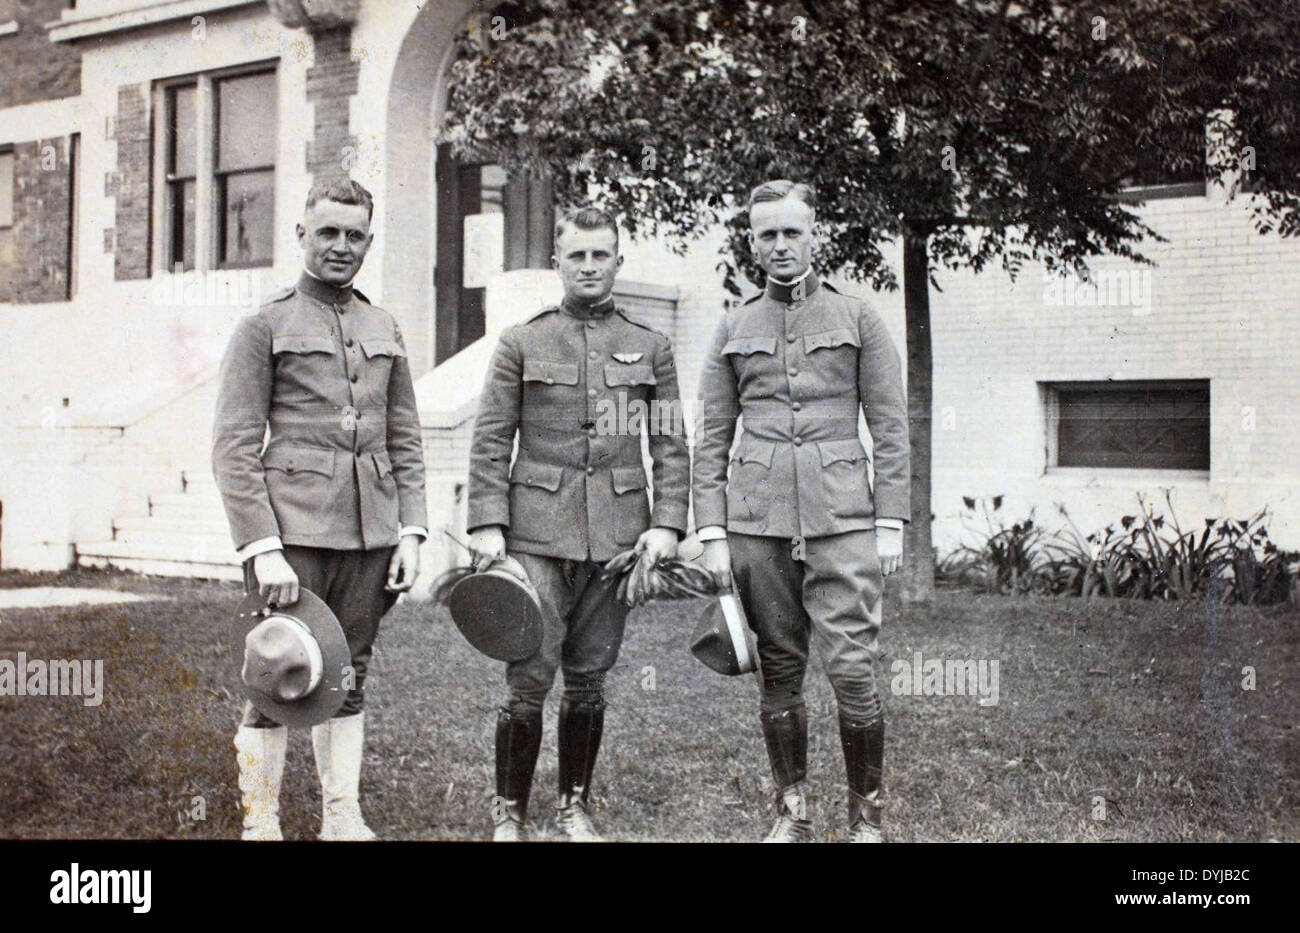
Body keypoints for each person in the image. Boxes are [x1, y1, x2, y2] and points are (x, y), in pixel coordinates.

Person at [693, 180, 910, 842]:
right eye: (767, 234)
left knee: (851, 666)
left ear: (814, 235)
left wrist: (890, 519)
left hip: (842, 518)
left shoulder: (858, 317)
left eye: (792, 232)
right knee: (780, 664)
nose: (780, 245)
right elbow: (712, 436)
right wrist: (711, 530)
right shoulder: (735, 326)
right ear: (752, 243)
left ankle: (865, 816)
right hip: (757, 523)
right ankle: (792, 812)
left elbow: (891, 425)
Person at [213, 178, 427, 841]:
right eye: (328, 232)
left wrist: (412, 529)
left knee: (349, 672)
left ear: (369, 240)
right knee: (279, 674)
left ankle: (341, 814)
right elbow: (234, 444)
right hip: (293, 529)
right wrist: (262, 545)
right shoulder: (265, 323)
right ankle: (263, 820)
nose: (341, 246)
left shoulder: (382, 324)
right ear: (301, 234)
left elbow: (405, 437)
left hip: (369, 531)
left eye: (355, 234)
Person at [466, 206, 690, 841]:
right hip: (536, 531)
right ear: (557, 262)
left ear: (618, 262)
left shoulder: (652, 346)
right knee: (529, 671)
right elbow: (489, 442)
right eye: (577, 255)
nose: (589, 266)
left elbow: (671, 445)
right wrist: (488, 524)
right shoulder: (522, 342)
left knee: (590, 674)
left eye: (601, 255)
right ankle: (508, 811)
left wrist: (668, 524)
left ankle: (573, 805)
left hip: (617, 536)